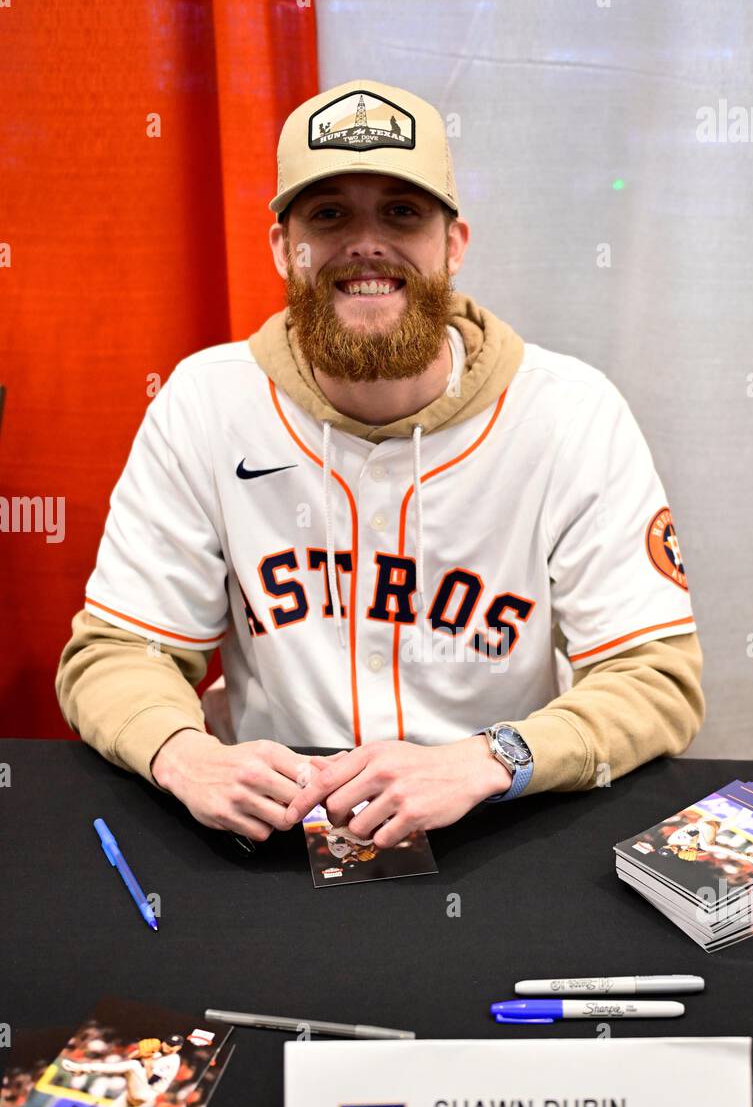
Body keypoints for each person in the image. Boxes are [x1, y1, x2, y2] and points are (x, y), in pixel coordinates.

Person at [56, 79, 705, 850]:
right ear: (281, 249)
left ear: (453, 245)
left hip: (497, 815)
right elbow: (118, 651)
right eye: (329, 214)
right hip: (273, 827)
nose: (366, 242)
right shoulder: (205, 402)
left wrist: (491, 759)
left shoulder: (571, 411)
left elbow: (653, 677)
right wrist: (183, 753)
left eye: (402, 211)